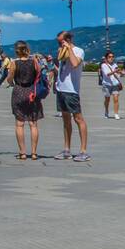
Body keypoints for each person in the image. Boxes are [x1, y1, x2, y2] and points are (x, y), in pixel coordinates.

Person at [53, 31, 89, 161]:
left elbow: (74, 64)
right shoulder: (61, 52)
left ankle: (83, 151)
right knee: (65, 120)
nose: (59, 44)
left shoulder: (78, 51)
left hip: (72, 90)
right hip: (61, 89)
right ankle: (66, 149)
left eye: (60, 41)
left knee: (78, 119)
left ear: (67, 40)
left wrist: (69, 49)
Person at [6, 41, 42, 159]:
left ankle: (22, 152)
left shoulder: (14, 63)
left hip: (19, 91)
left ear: (16, 51)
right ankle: (34, 153)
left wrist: (12, 82)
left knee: (20, 124)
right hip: (32, 92)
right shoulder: (34, 61)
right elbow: (39, 75)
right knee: (33, 124)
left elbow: (9, 79)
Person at [99, 51, 122, 119]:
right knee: (107, 99)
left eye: (112, 57)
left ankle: (116, 113)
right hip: (107, 84)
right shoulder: (103, 65)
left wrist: (120, 73)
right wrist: (115, 71)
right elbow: (107, 74)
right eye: (109, 57)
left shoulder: (115, 64)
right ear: (106, 58)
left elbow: (117, 74)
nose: (111, 58)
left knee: (116, 99)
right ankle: (106, 111)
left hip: (115, 84)